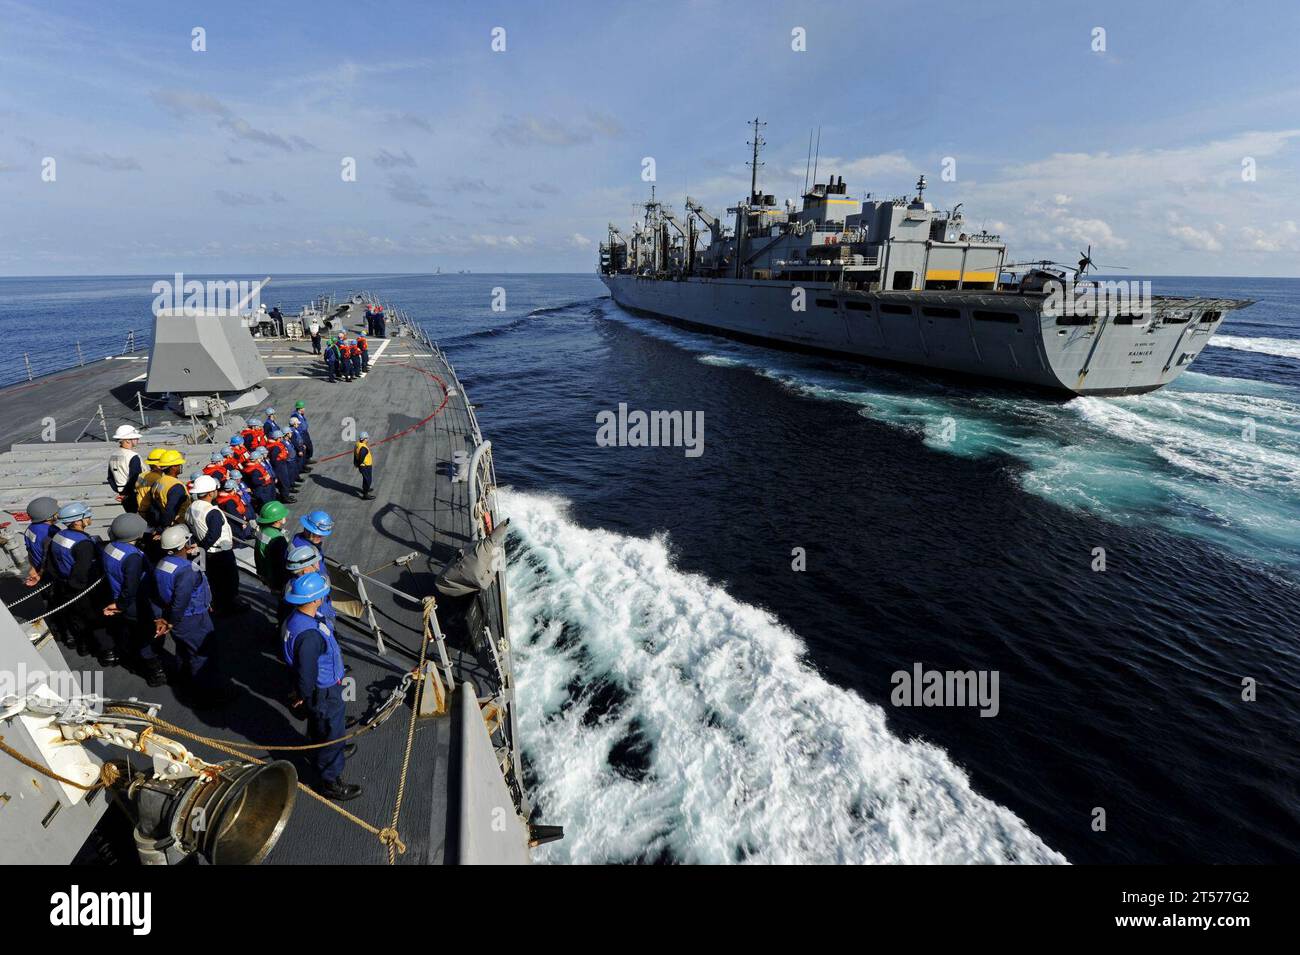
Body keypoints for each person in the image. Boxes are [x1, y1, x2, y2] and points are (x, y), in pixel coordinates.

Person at [282, 572, 360, 801]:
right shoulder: (309, 636)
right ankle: (331, 780)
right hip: (324, 691)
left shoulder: (297, 619)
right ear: (315, 599)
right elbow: (307, 672)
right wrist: (303, 696)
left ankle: (321, 751)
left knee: (319, 725)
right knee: (332, 730)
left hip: (321, 689)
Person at [154, 524, 221, 703]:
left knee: (183, 650)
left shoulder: (162, 563)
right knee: (202, 654)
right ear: (184, 544)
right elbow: (182, 600)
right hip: (193, 618)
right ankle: (206, 696)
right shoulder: (187, 571)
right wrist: (172, 621)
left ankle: (183, 680)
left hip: (181, 617)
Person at [49, 502, 116, 665]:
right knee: (95, 620)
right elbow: (82, 571)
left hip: (64, 585)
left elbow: (52, 563)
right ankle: (108, 654)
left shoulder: (59, 536)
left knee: (77, 620)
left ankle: (84, 646)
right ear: (78, 521)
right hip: (83, 589)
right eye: (86, 515)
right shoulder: (83, 544)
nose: (89, 517)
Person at [102, 514, 165, 686]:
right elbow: (131, 586)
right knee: (147, 637)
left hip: (121, 601)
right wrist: (121, 605)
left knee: (131, 633)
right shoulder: (133, 557)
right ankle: (154, 672)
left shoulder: (110, 547)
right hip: (137, 605)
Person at [186, 474, 240, 616]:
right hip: (220, 552)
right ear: (211, 493)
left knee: (215, 581)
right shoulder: (212, 511)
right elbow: (214, 534)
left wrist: (199, 546)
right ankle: (229, 608)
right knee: (229, 581)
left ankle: (218, 605)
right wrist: (201, 546)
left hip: (207, 552)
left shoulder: (192, 507)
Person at [22, 496, 59, 587]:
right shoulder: (52, 532)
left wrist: (33, 568)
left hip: (39, 570)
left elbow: (30, 550)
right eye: (56, 511)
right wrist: (40, 575)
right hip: (50, 576)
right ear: (49, 516)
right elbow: (48, 557)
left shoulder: (30, 528)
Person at [255, 500, 292, 592]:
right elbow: (281, 563)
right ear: (278, 519)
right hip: (277, 578)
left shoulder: (262, 531)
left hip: (266, 573)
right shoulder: (278, 539)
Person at [150, 449, 191, 527]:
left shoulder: (158, 481)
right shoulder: (176, 486)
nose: (180, 467)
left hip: (161, 522)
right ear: (173, 467)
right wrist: (162, 528)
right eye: (179, 465)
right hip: (177, 526)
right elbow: (170, 510)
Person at [108, 425, 143, 513]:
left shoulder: (113, 456)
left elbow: (110, 478)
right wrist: (128, 494)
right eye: (135, 438)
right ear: (127, 440)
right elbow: (135, 478)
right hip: (134, 495)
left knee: (131, 517)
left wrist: (121, 492)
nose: (137, 440)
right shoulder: (133, 456)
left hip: (122, 494)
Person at [218, 477, 254, 544]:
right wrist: (241, 521)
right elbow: (234, 513)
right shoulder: (229, 501)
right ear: (234, 489)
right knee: (237, 532)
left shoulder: (225, 497)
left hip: (236, 518)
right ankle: (239, 543)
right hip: (234, 521)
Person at [134, 448, 166, 524]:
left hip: (141, 509)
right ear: (158, 465)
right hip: (151, 513)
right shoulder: (158, 479)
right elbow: (163, 495)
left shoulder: (143, 475)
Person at [353, 432, 374, 499]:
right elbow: (361, 457)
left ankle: (365, 489)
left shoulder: (358, 444)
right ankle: (365, 495)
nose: (368, 439)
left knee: (365, 478)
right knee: (368, 480)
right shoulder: (363, 448)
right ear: (364, 439)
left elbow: (355, 454)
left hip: (363, 465)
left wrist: (356, 463)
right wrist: (360, 464)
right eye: (367, 438)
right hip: (365, 466)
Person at [292, 400, 314, 464]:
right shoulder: (295, 416)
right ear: (300, 408)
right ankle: (305, 461)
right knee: (305, 446)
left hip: (305, 432)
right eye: (303, 407)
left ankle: (308, 458)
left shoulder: (301, 414)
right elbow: (295, 425)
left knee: (309, 445)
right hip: (301, 433)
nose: (304, 409)